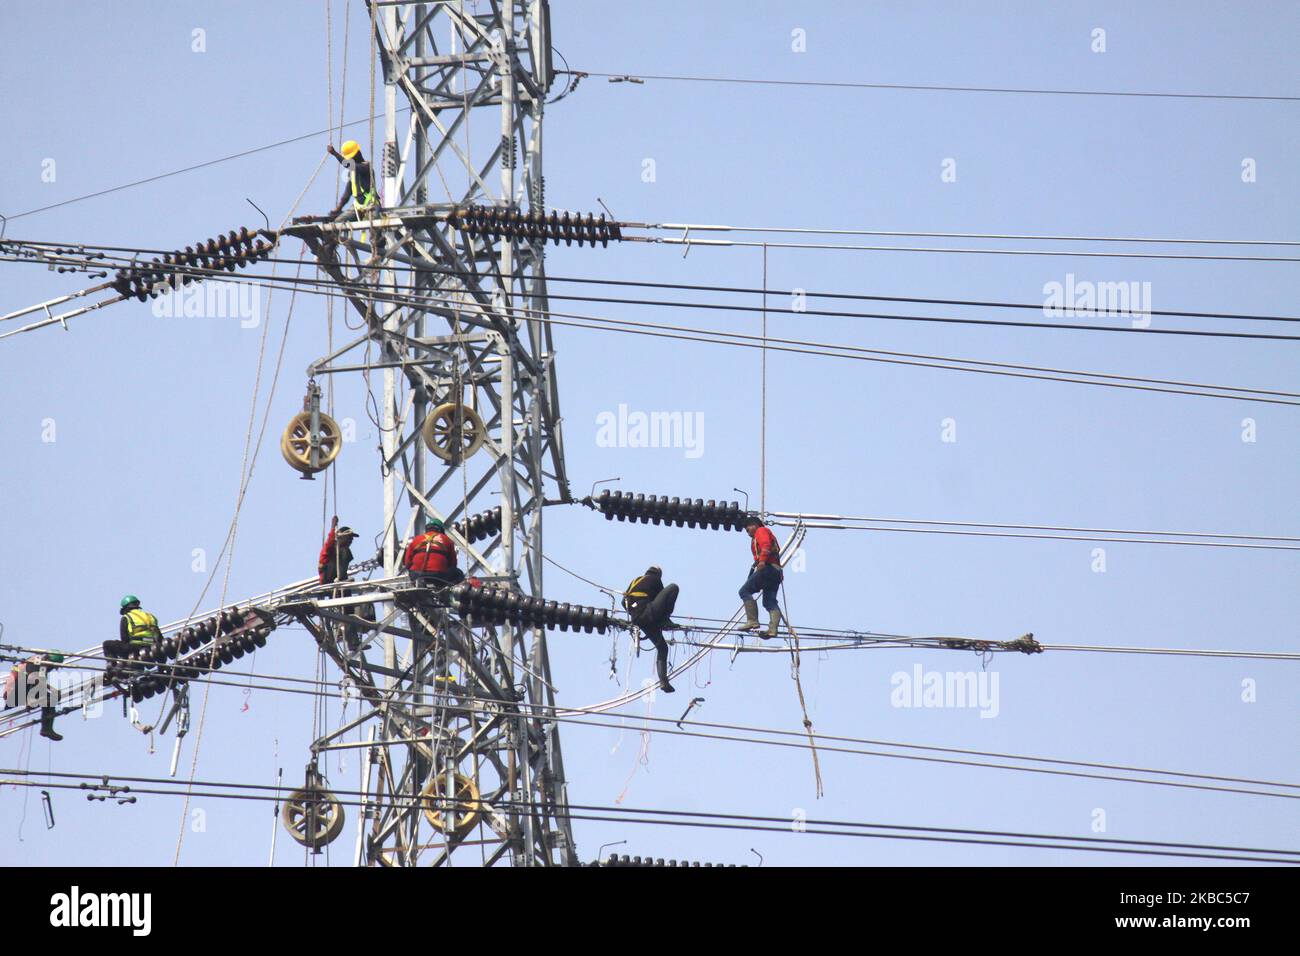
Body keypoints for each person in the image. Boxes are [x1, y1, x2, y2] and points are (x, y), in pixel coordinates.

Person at [622, 565, 680, 693]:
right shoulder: (655, 580)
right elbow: (663, 601)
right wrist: (662, 617)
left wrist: (634, 611)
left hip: (640, 621)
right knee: (673, 588)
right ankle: (666, 620)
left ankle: (664, 683)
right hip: (648, 614)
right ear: (658, 574)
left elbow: (623, 602)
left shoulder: (635, 581)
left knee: (662, 647)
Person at [738, 516, 783, 638]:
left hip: (767, 568)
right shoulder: (760, 536)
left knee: (744, 591)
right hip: (775, 572)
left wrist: (762, 561)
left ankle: (752, 620)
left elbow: (766, 545)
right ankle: (773, 629)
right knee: (769, 601)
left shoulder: (761, 531)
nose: (747, 532)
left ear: (754, 525)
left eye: (748, 529)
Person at [4, 652, 66, 741]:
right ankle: (31, 702)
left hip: (21, 692)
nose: (53, 669)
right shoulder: (36, 661)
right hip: (14, 691)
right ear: (49, 660)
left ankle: (47, 729)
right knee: (37, 684)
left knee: (50, 700)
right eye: (53, 666)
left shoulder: (42, 668)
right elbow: (33, 678)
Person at [402, 516, 465, 587]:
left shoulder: (416, 539)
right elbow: (453, 563)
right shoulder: (447, 540)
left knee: (412, 572)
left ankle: (418, 585)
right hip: (438, 576)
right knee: (459, 574)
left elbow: (407, 562)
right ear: (440, 529)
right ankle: (444, 590)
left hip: (417, 576)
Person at [103, 595, 164, 667]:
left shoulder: (127, 617)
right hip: (153, 647)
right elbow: (160, 638)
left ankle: (112, 667)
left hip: (136, 648)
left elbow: (125, 638)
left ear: (125, 608)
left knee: (107, 644)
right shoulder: (151, 616)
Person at [327, 140, 380, 220]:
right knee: (338, 222)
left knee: (374, 226)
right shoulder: (353, 173)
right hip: (358, 206)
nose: (351, 159)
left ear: (358, 153)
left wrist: (334, 153)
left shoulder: (366, 167)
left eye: (352, 157)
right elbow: (347, 194)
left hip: (371, 204)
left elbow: (348, 165)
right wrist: (338, 208)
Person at [318, 516, 358, 584]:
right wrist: (333, 526)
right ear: (341, 537)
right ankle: (341, 579)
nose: (351, 540)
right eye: (349, 537)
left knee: (346, 591)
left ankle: (343, 583)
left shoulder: (345, 552)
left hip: (336, 578)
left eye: (351, 538)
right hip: (327, 577)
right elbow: (330, 539)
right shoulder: (332, 546)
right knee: (344, 551)